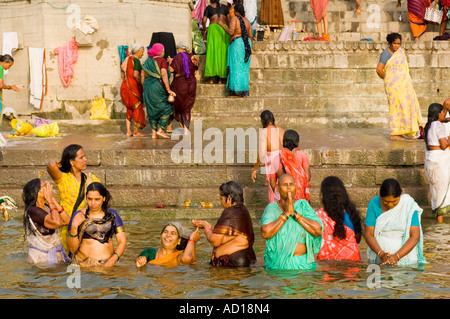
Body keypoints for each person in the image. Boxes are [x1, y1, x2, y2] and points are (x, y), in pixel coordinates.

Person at [261, 174, 322, 270]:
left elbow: (317, 230)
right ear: (277, 188)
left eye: (291, 184)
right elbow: (265, 233)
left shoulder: (303, 206)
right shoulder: (272, 208)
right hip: (278, 265)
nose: (289, 188)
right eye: (285, 185)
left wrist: (295, 214)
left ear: (296, 188)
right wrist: (285, 214)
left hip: (303, 265)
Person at [47, 144, 100, 252]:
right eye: (81, 158)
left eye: (85, 156)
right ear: (72, 161)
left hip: (86, 226)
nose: (85, 160)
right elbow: (51, 165)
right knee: (67, 257)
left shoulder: (91, 179)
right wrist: (64, 161)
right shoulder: (63, 179)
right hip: (67, 225)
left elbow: (103, 198)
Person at [192, 181, 257, 267]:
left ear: (229, 198)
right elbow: (230, 235)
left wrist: (206, 228)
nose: (221, 202)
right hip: (244, 259)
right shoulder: (243, 210)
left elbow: (215, 240)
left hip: (232, 262)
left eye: (221, 199)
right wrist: (208, 225)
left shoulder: (230, 211)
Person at [364, 179, 426, 266]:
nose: (390, 205)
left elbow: (415, 236)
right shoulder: (374, 203)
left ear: (400, 196)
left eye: (394, 201)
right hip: (379, 259)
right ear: (380, 197)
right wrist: (381, 254)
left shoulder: (408, 205)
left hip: (404, 260)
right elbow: (368, 234)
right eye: (385, 201)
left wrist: (397, 256)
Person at [376, 33, 424, 140]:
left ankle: (407, 130)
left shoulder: (400, 52)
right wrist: (388, 79)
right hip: (393, 87)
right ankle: (395, 133)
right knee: (396, 107)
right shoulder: (385, 54)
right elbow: (379, 70)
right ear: (390, 43)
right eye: (395, 43)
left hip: (405, 85)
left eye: (399, 44)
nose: (397, 46)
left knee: (408, 105)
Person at [67, 182, 126, 268]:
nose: (93, 203)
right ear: (86, 198)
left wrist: (112, 260)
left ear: (104, 198)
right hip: (85, 265)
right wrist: (74, 226)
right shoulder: (78, 216)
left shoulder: (112, 215)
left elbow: (122, 241)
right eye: (90, 199)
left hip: (109, 264)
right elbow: (72, 249)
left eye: (97, 199)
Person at [23, 179, 71, 266]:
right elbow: (56, 222)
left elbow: (67, 221)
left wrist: (52, 199)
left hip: (54, 254)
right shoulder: (33, 210)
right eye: (43, 186)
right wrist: (50, 200)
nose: (47, 189)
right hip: (41, 259)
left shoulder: (47, 207)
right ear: (35, 192)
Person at [316, 176, 362, 262]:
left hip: (327, 263)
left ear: (324, 195)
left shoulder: (318, 216)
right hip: (352, 261)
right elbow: (358, 239)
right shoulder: (352, 213)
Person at [218, 3, 253, 97]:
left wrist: (222, 25)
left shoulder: (235, 19)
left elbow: (231, 31)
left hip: (237, 44)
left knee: (236, 67)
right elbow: (251, 36)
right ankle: (243, 90)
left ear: (235, 11)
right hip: (246, 45)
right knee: (244, 68)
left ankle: (235, 90)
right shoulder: (247, 21)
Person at [141, 43, 175, 139]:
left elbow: (142, 75)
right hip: (158, 86)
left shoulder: (147, 61)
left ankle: (153, 133)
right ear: (160, 52)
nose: (164, 52)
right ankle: (161, 130)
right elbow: (164, 74)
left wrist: (144, 88)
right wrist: (168, 89)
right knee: (166, 108)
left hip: (148, 86)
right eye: (163, 50)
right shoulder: (162, 61)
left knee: (152, 109)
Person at [423, 103, 450, 223]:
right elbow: (444, 145)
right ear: (438, 114)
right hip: (439, 162)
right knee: (441, 191)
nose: (445, 114)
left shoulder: (429, 125)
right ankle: (440, 224)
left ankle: (437, 221)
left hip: (431, 160)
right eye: (443, 112)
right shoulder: (438, 125)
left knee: (435, 191)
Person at [251, 110, 285, 203]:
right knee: (283, 186)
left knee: (272, 189)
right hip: (283, 159)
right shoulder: (281, 130)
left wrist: (255, 169)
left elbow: (262, 154)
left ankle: (274, 213)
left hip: (272, 161)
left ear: (263, 121)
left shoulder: (264, 132)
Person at [270, 129, 311, 202]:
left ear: (283, 142)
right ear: (297, 143)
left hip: (281, 198)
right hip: (299, 198)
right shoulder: (302, 155)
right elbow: (307, 177)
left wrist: (280, 193)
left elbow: (272, 181)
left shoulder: (276, 158)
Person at [136, 221, 200, 268]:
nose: (168, 235)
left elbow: (187, 260)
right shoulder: (149, 252)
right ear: (161, 236)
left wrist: (192, 240)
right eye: (165, 232)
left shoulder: (179, 256)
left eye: (173, 233)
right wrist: (140, 265)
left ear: (179, 241)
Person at [167, 41, 199, 134]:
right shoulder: (193, 57)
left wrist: (170, 62)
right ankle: (185, 130)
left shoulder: (179, 56)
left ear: (179, 48)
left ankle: (169, 127)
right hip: (192, 83)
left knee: (175, 104)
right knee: (187, 107)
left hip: (180, 83)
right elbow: (195, 72)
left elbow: (172, 69)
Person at [120, 43, 146, 137]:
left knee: (129, 108)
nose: (142, 54)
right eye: (142, 52)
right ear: (138, 51)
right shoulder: (136, 61)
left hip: (125, 86)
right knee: (137, 108)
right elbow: (135, 74)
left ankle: (128, 131)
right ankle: (136, 131)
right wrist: (141, 82)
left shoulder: (127, 59)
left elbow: (122, 74)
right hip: (133, 87)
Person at [202, 0, 231, 84]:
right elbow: (229, 19)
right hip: (223, 29)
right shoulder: (225, 7)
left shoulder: (208, 8)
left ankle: (211, 79)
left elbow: (204, 20)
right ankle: (221, 79)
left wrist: (204, 30)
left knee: (212, 52)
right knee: (222, 53)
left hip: (213, 29)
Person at [0, 54, 21, 123]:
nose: (9, 68)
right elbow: (1, 85)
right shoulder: (0, 68)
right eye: (9, 65)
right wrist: (10, 87)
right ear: (4, 62)